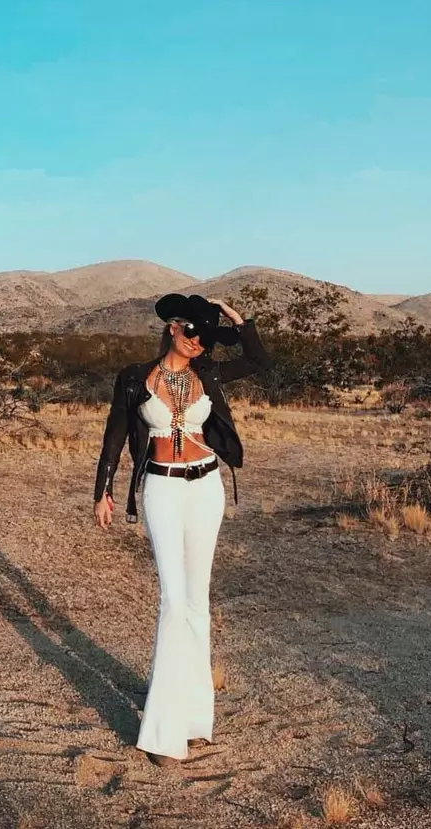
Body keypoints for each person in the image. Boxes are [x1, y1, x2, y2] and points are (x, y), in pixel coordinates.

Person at [92, 292, 270, 766]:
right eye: (192, 333)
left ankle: (194, 721)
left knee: (197, 603)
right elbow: (115, 433)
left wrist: (232, 316)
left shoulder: (208, 374)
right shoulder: (134, 378)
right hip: (162, 489)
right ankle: (163, 732)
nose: (199, 344)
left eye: (206, 339)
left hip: (206, 486)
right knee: (173, 602)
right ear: (173, 326)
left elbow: (257, 358)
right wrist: (103, 488)